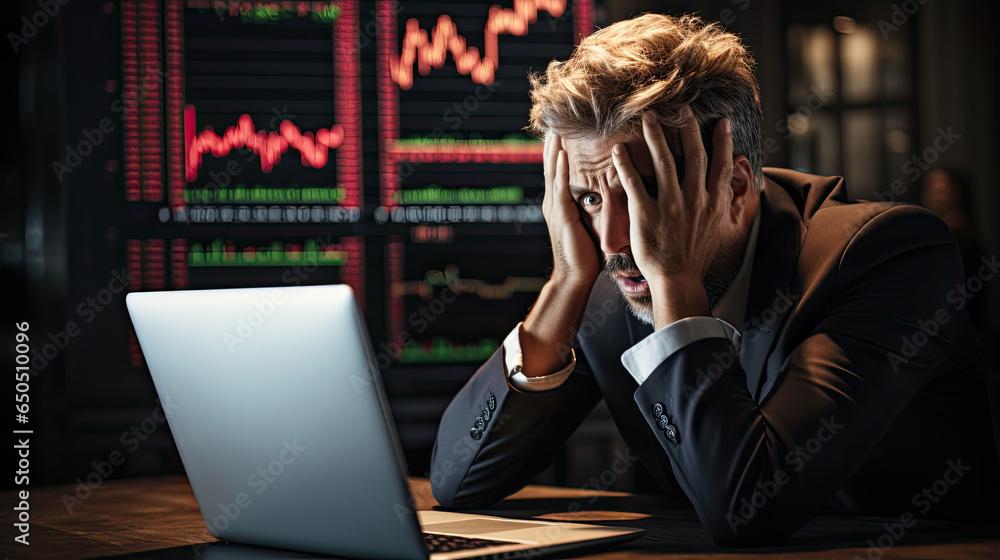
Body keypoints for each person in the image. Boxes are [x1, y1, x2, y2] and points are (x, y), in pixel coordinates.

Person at [429, 13, 1000, 546]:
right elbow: (459, 482)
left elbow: (750, 509)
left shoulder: (890, 256)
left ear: (733, 185)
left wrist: (674, 279)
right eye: (588, 198)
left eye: (644, 193)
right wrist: (564, 284)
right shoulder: (608, 284)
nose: (612, 241)